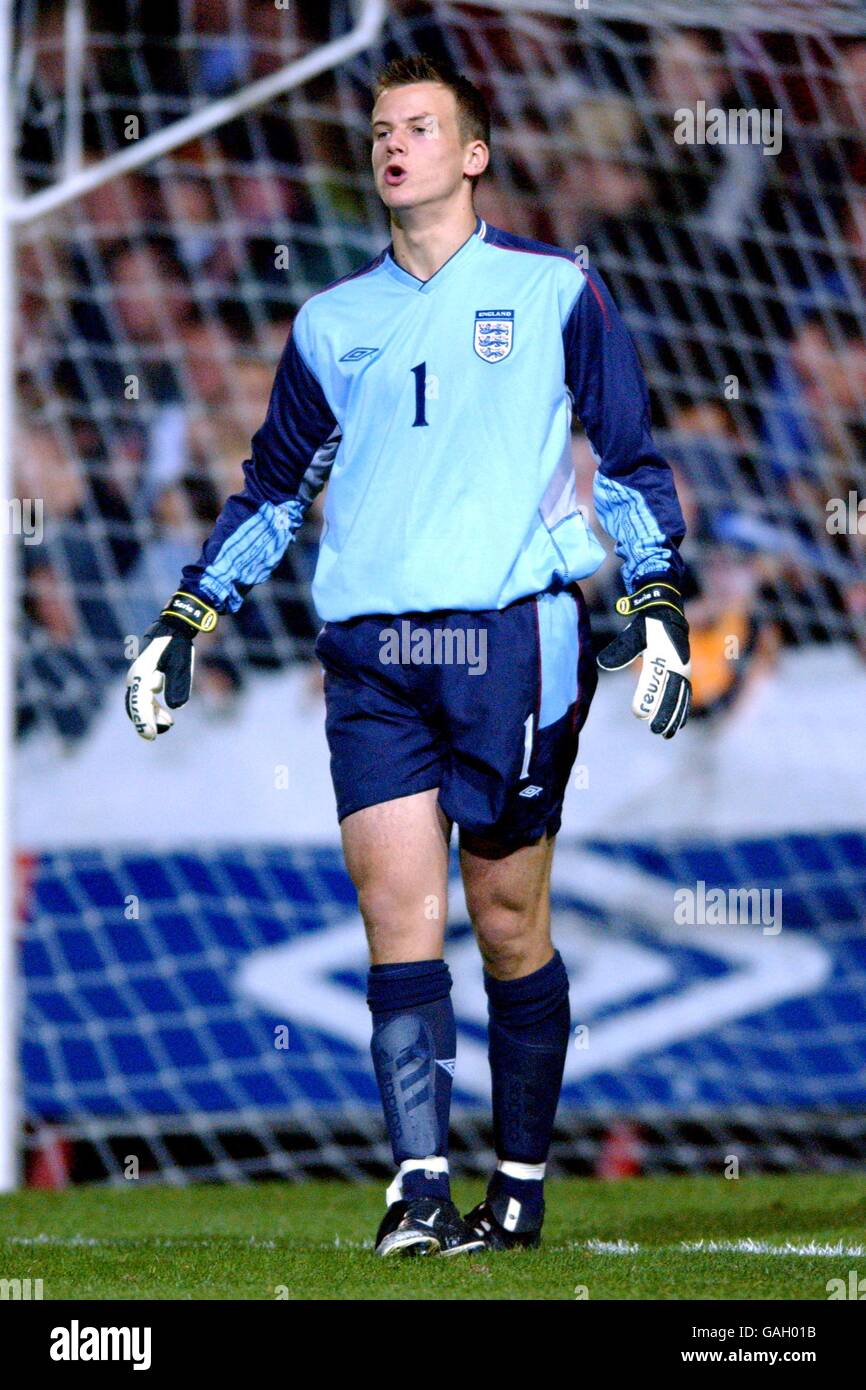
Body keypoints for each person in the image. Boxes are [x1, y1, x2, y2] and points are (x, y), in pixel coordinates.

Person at [125, 53, 692, 1257]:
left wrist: (654, 598)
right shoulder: (330, 321)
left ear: (472, 153)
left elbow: (630, 457)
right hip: (373, 654)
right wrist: (186, 617)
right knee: (399, 911)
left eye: (420, 127)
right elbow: (272, 491)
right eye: (381, 128)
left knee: (503, 920)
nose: (394, 144)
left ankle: (521, 1188)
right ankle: (420, 1191)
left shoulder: (554, 291)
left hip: (514, 642)